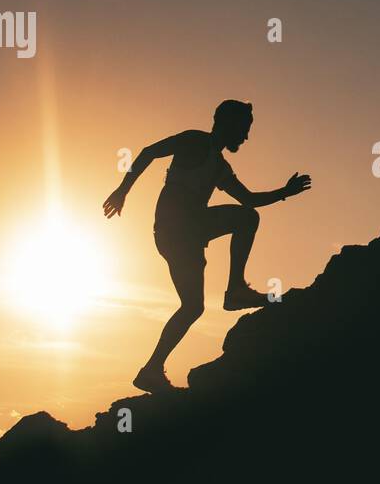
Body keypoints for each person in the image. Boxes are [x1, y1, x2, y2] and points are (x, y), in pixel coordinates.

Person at [102, 100, 311, 392]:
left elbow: (248, 199)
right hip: (179, 227)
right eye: (244, 129)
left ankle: (150, 370)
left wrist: (284, 192)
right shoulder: (194, 140)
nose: (246, 137)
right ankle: (235, 290)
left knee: (192, 307)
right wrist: (123, 190)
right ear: (228, 123)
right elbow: (150, 152)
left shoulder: (220, 165)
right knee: (246, 219)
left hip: (182, 235)